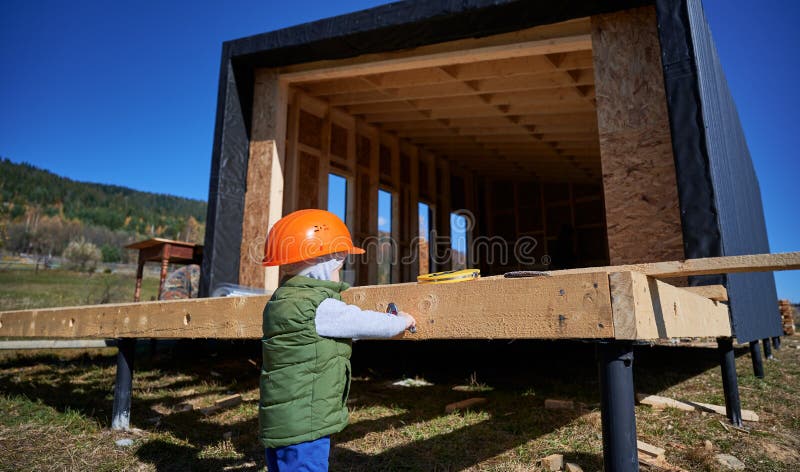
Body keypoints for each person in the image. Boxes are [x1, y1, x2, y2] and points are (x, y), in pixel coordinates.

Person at [259, 209, 416, 471]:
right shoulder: (318, 306)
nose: (338, 276)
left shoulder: (281, 302)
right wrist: (401, 321)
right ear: (323, 266)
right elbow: (363, 322)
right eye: (338, 267)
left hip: (281, 422)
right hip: (307, 424)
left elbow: (329, 333)